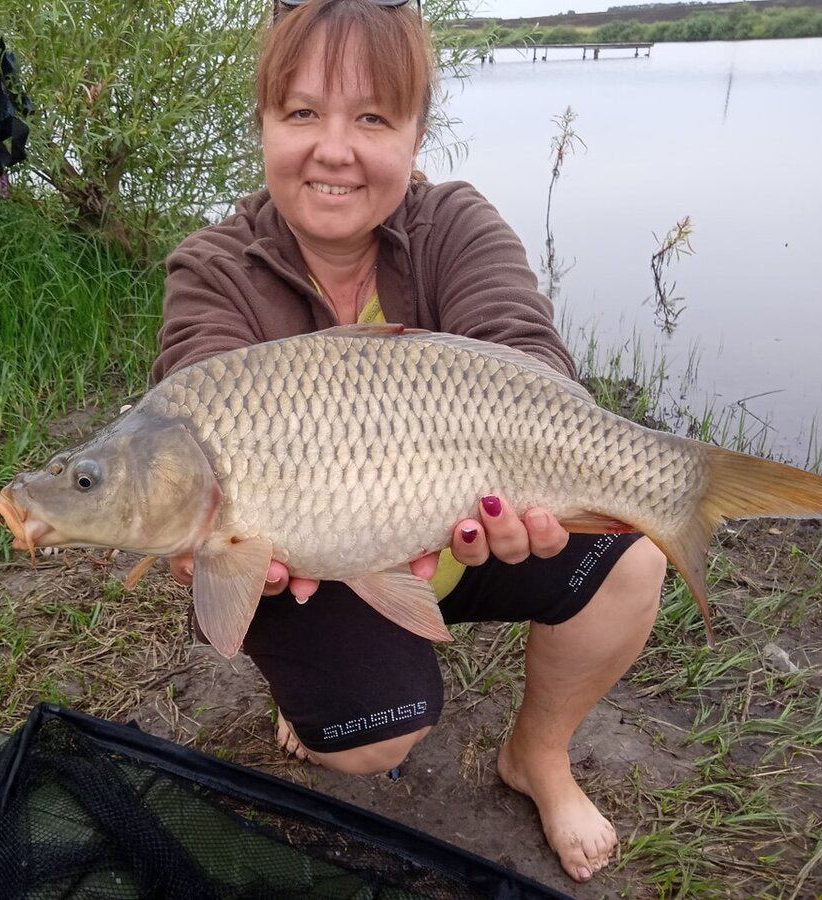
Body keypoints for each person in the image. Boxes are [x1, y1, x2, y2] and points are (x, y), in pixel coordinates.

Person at [152, 0, 666, 884]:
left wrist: (547, 484)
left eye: (373, 117)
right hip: (308, 551)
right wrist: (190, 544)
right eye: (303, 112)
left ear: (419, 135)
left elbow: (523, 347)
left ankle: (537, 758)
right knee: (372, 741)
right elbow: (192, 410)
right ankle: (326, 698)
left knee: (636, 549)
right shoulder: (212, 268)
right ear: (265, 124)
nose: (334, 149)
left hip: (472, 524)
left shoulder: (454, 225)